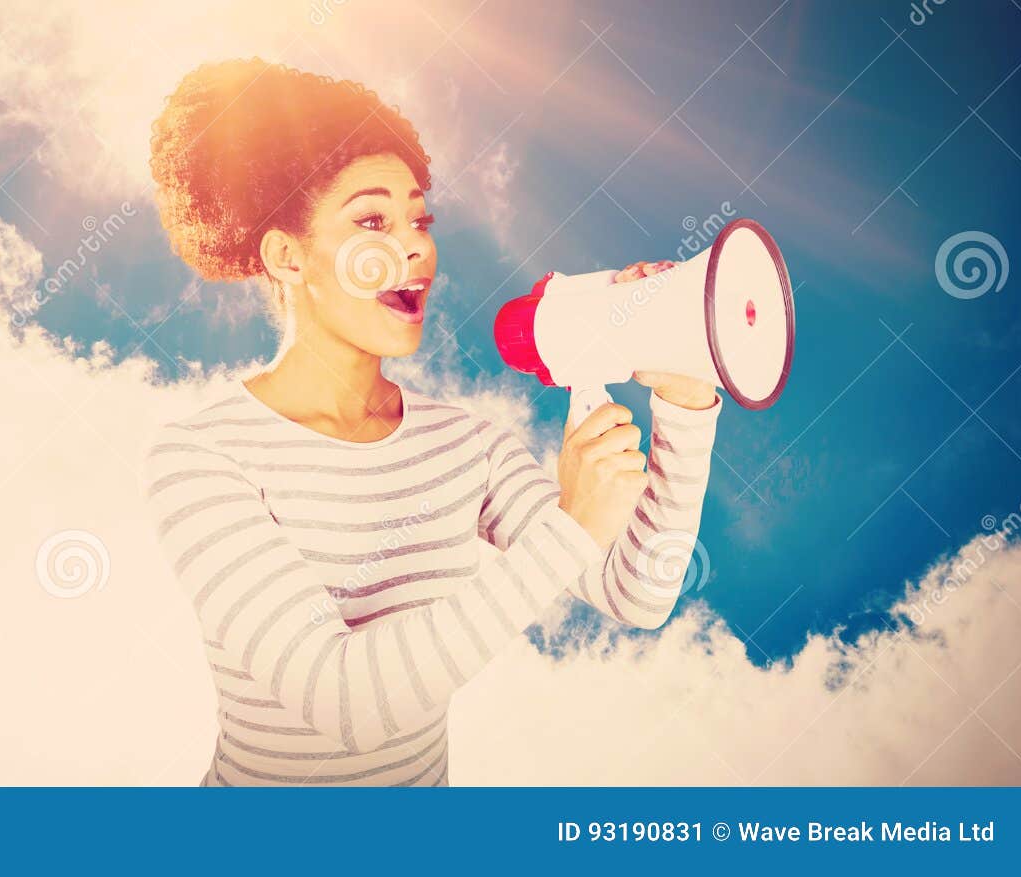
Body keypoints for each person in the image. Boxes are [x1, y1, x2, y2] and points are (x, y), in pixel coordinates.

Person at [141, 58, 721, 786]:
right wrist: (570, 528)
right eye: (372, 221)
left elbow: (637, 592)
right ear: (287, 256)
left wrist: (686, 403)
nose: (415, 245)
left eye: (420, 220)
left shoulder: (466, 445)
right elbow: (343, 705)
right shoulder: (200, 457)